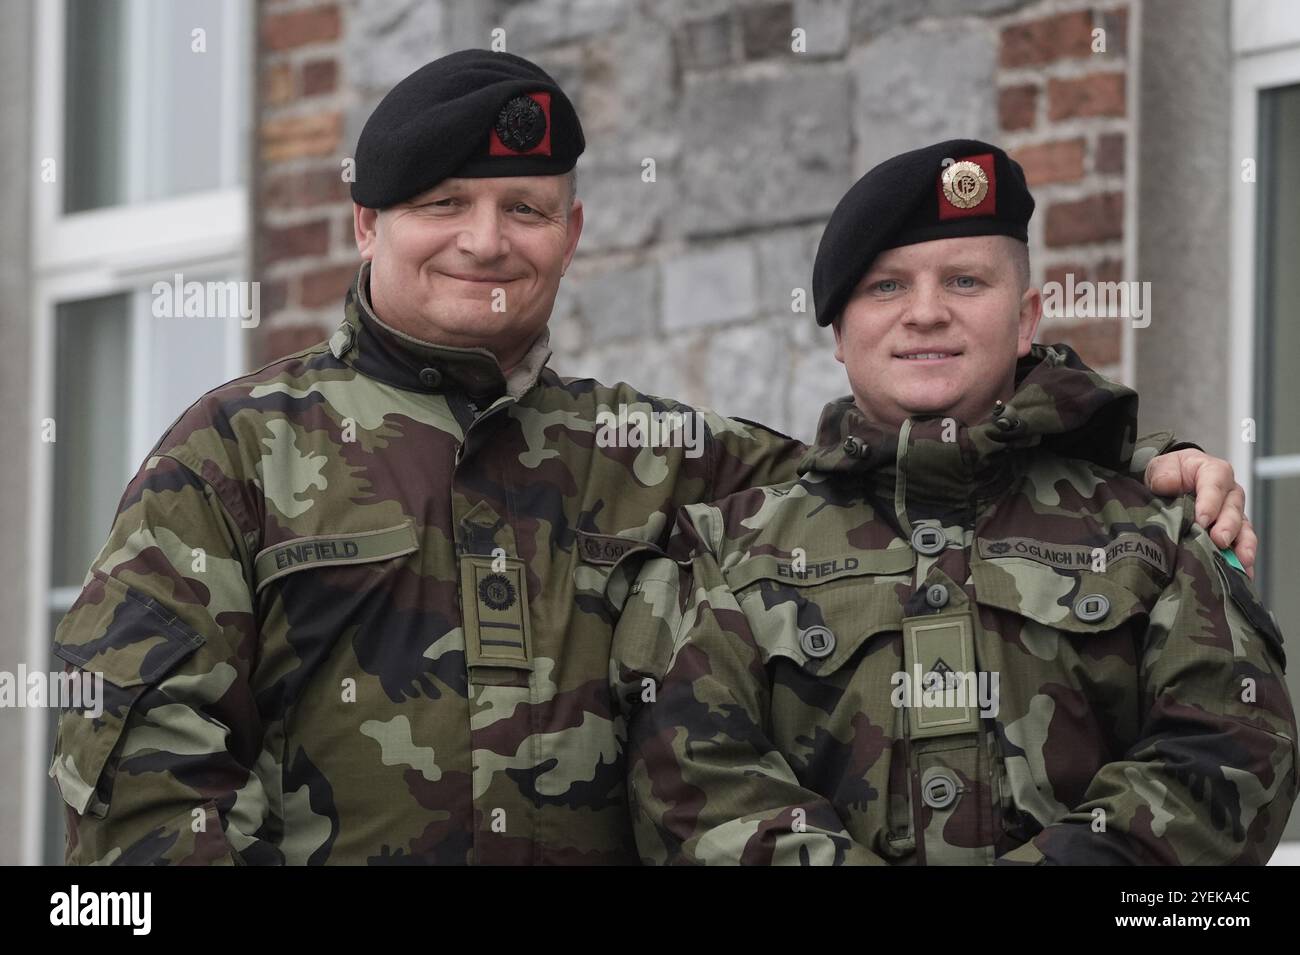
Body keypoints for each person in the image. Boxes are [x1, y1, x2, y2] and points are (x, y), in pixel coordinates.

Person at [48, 48, 1255, 865]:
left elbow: (922, 468)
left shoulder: (673, 458)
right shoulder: (235, 453)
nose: (486, 241)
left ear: (572, 232)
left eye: (524, 209)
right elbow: (134, 763)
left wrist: (1139, 459)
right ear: (367, 222)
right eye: (445, 205)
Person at [613, 140, 1296, 865]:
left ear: (1027, 316)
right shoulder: (727, 551)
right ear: (840, 332)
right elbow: (693, 786)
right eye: (886, 287)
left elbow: (1233, 747)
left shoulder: (1154, 533)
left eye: (966, 281)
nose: (927, 313)